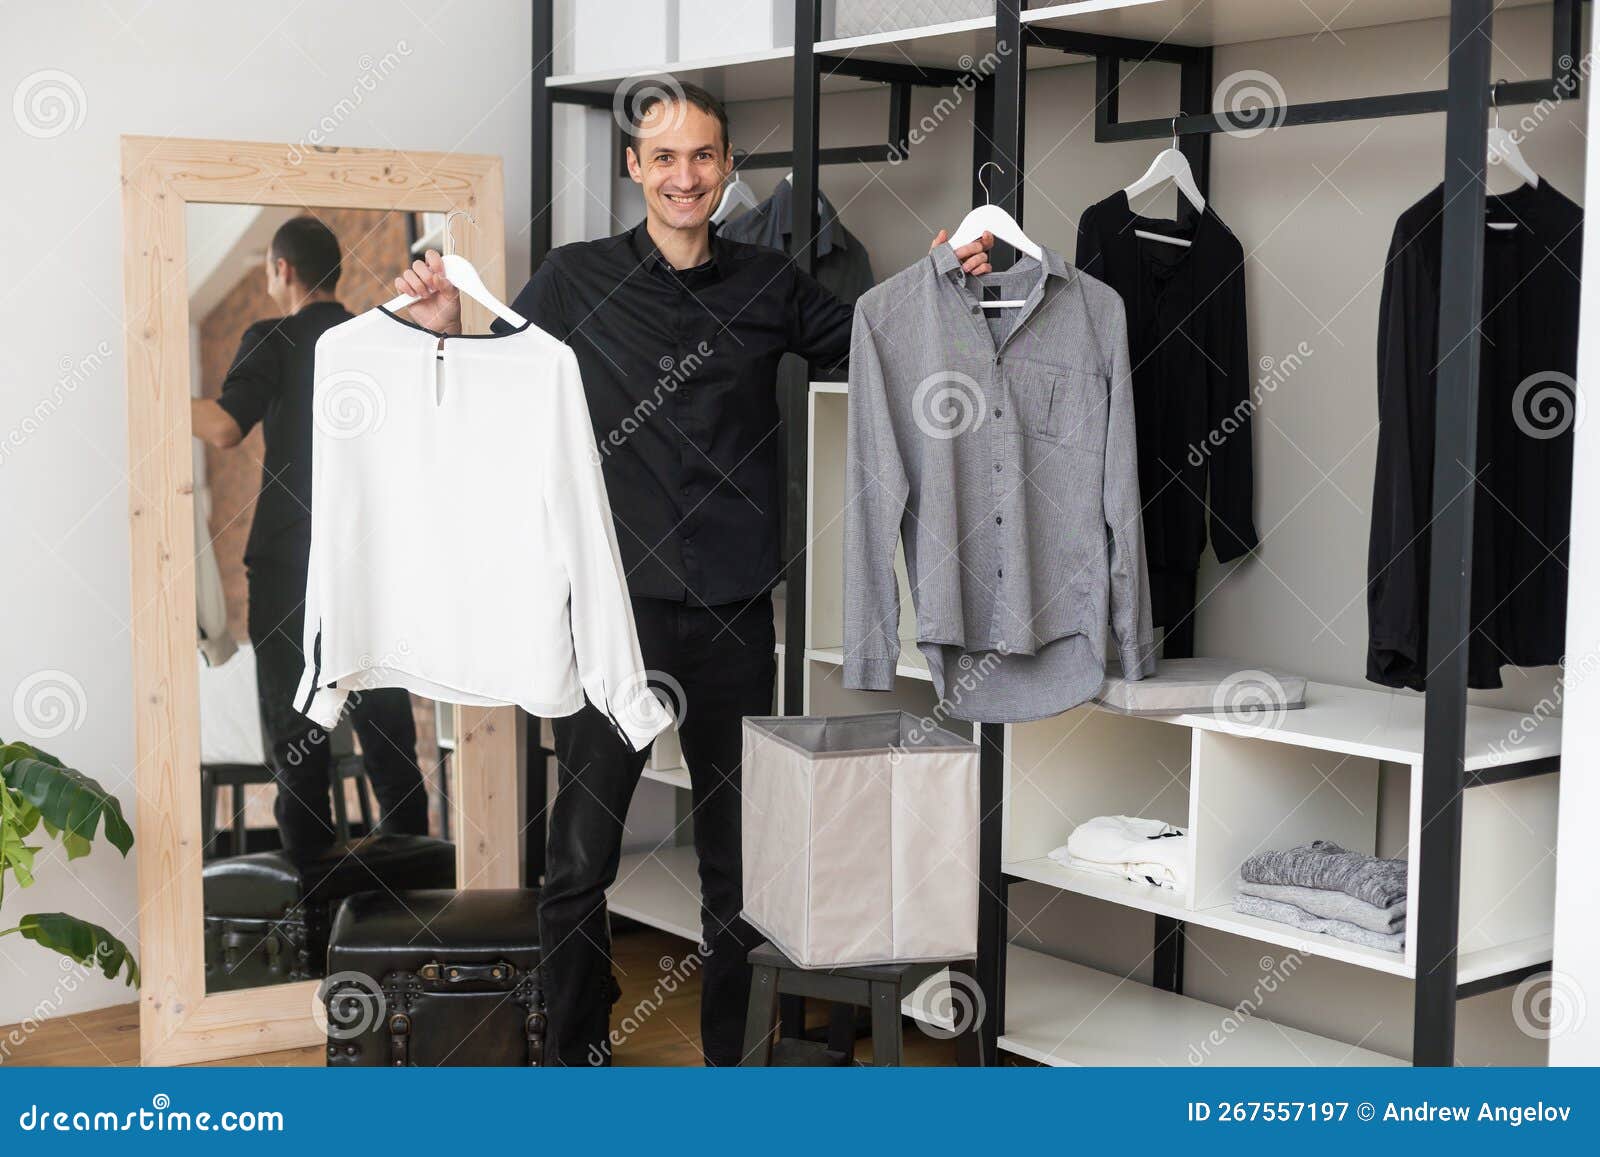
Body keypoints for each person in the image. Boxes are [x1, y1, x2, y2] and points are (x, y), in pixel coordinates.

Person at [392, 83, 993, 1066]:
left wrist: (934, 284)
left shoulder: (769, 281)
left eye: (703, 156)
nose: (685, 176)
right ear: (634, 166)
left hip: (733, 612)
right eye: (664, 157)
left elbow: (871, 341)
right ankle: (574, 1058)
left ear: (725, 166)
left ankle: (731, 1066)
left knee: (737, 864)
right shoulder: (573, 280)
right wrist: (443, 325)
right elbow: (489, 389)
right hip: (611, 613)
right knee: (578, 861)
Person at [192, 215, 431, 853]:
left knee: (298, 743)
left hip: (288, 566)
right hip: (371, 562)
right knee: (389, 739)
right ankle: (412, 895)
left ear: (283, 270)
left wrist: (153, 393)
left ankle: (316, 900)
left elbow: (224, 428)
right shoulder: (377, 339)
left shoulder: (272, 338)